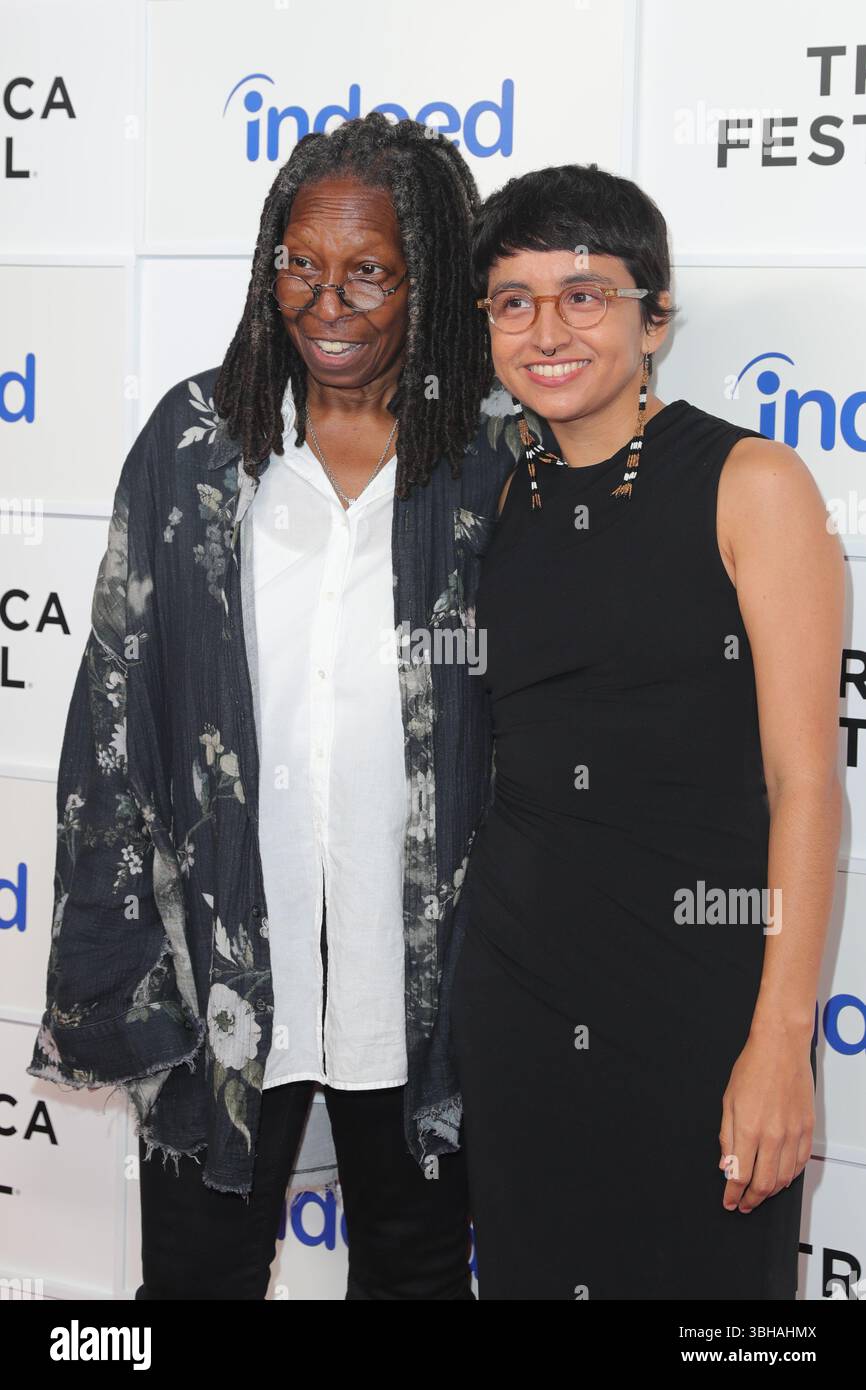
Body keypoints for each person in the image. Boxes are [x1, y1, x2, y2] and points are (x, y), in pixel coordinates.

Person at [27, 113, 512, 1300]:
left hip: (430, 986)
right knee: (194, 1281)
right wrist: (118, 953)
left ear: (431, 276)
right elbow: (111, 707)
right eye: (299, 263)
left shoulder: (496, 463)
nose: (325, 303)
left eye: (367, 273)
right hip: (222, 969)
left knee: (412, 1277)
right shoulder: (196, 442)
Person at [450, 162, 844, 1300]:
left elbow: (804, 781)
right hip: (517, 997)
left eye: (583, 294)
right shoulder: (498, 497)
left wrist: (779, 1039)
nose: (544, 330)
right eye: (512, 302)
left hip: (702, 1003)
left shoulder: (748, 481)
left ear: (653, 315)